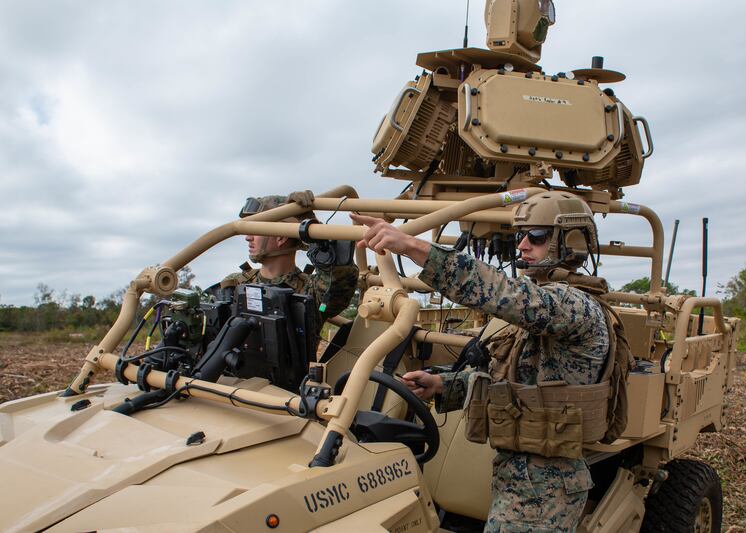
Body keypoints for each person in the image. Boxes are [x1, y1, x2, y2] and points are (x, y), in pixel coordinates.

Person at [350, 190, 612, 532]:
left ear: (571, 241)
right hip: (522, 476)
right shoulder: (543, 308)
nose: (522, 246)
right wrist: (445, 384)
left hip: (545, 489)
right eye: (520, 236)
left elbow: (503, 293)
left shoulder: (573, 306)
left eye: (536, 237)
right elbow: (519, 385)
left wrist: (414, 247)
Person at [220, 190, 359, 337]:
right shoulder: (235, 284)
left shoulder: (311, 292)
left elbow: (340, 279)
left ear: (280, 237)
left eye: (255, 229)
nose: (248, 237)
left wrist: (315, 232)